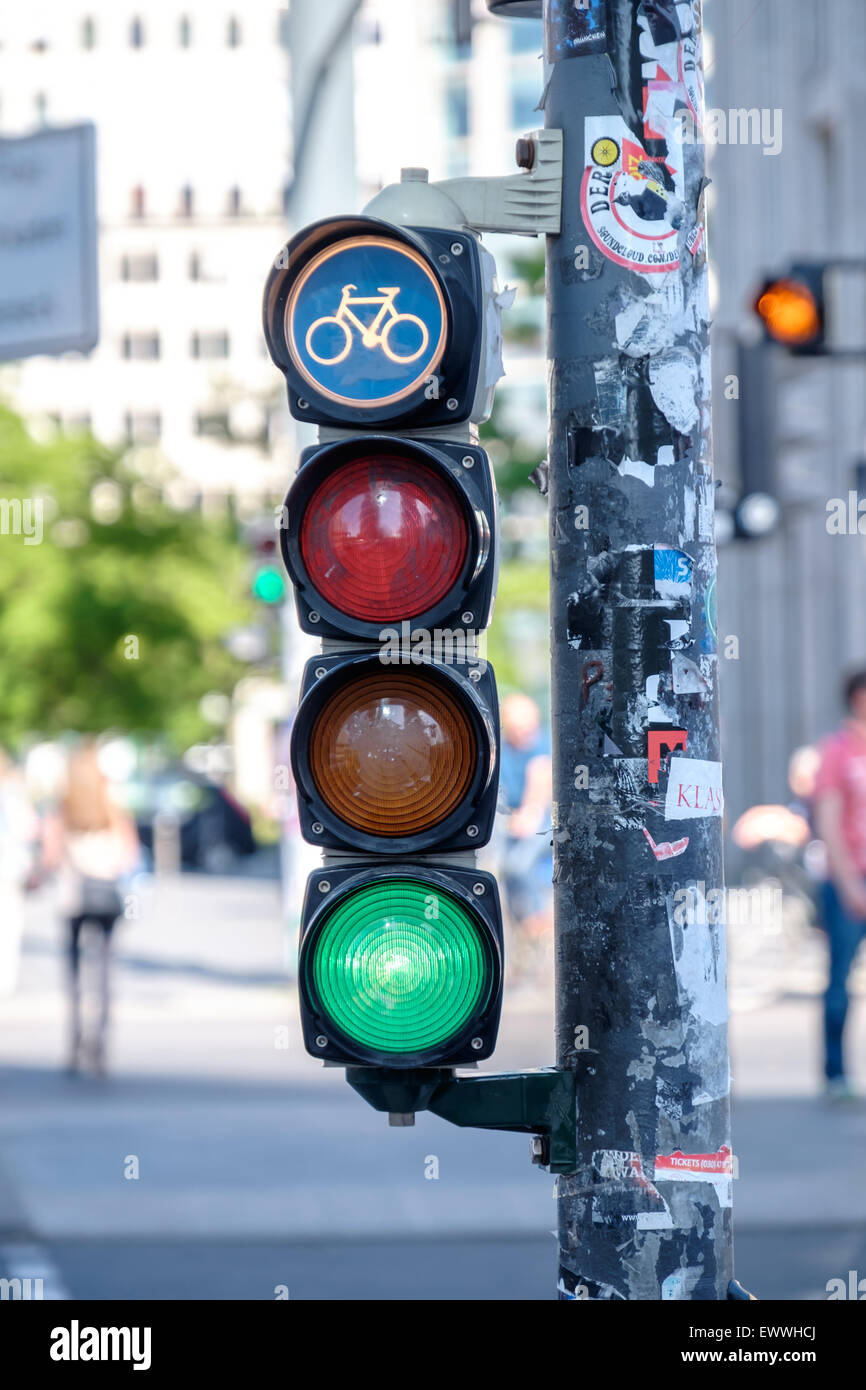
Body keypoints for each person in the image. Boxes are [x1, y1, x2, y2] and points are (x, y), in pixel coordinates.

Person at [43, 744, 139, 1077]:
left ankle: (74, 1043)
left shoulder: (64, 808)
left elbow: (50, 854)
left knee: (74, 975)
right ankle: (99, 1045)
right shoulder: (109, 805)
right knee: (104, 973)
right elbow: (129, 853)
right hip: (106, 894)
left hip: (74, 895)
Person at [812, 669, 866, 1100]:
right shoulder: (837, 752)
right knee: (839, 980)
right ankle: (835, 1076)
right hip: (849, 878)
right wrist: (849, 884)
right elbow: (828, 823)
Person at [499, 694, 553, 954]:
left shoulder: (544, 742)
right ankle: (517, 926)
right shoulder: (504, 749)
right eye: (518, 728)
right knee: (504, 867)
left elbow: (540, 776)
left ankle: (537, 921)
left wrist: (530, 812)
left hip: (543, 816)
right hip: (512, 816)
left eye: (528, 726)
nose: (525, 733)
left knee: (519, 863)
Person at [0, 751, 38, 997]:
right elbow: (31, 829)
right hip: (10, 869)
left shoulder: (14, 793)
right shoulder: (14, 793)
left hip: (10, 867)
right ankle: (5, 979)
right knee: (9, 926)